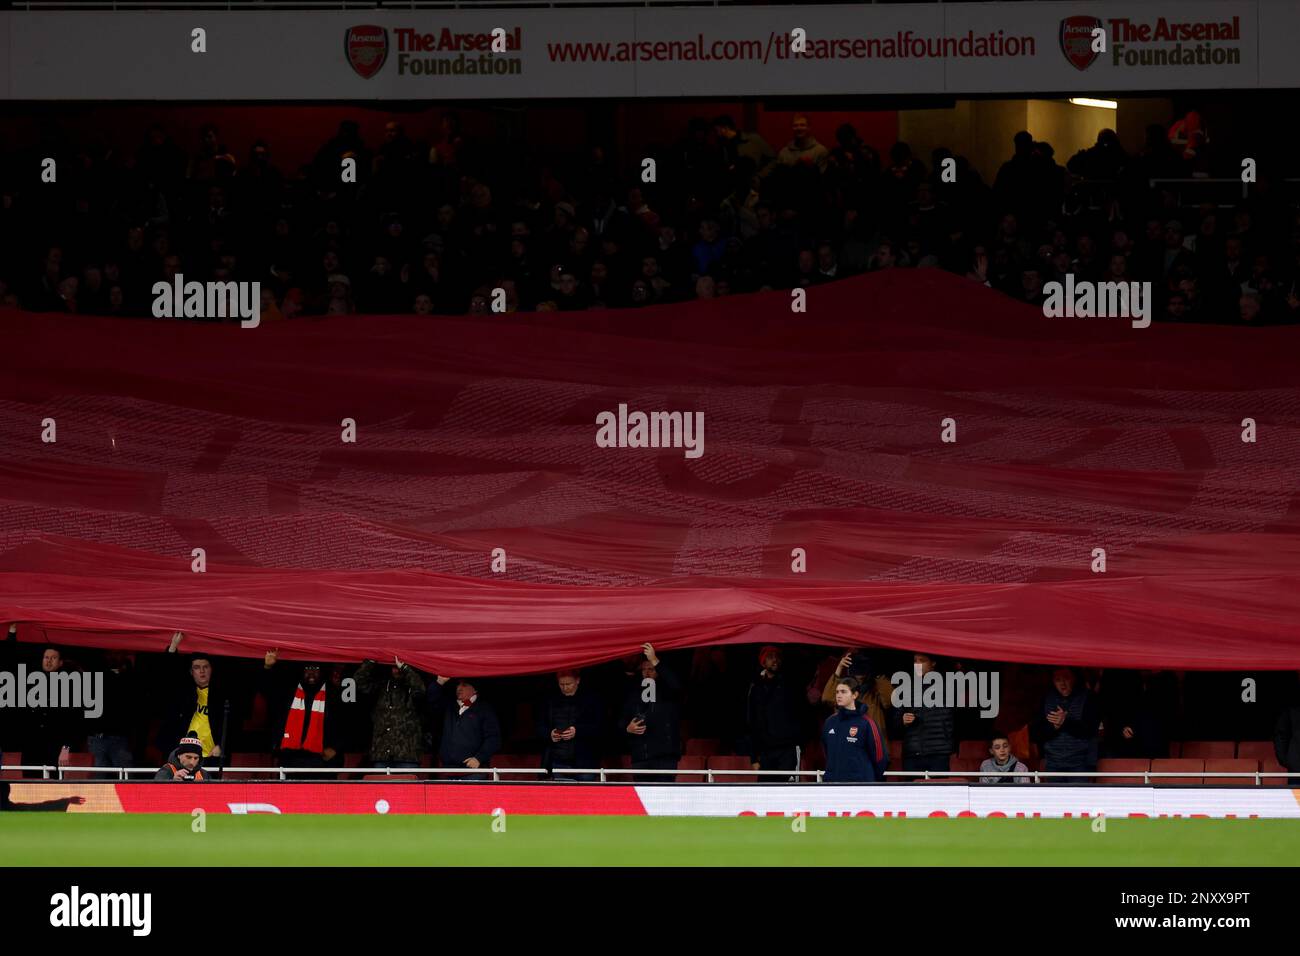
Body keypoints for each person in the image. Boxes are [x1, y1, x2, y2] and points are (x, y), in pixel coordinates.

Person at [157, 633, 235, 764]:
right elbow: (168, 676)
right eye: (197, 668)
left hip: (211, 755)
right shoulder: (183, 691)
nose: (202, 671)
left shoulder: (222, 695)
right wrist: (173, 648)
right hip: (183, 755)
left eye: (206, 667)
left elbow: (232, 724)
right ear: (191, 672)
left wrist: (221, 746)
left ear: (212, 669)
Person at [261, 650, 344, 773]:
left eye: (315, 668)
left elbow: (345, 722)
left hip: (321, 759)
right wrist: (268, 667)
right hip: (290, 757)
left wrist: (336, 748)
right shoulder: (289, 691)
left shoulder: (331, 694)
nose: (311, 672)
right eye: (307, 668)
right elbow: (267, 690)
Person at [19, 645, 82, 778]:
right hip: (32, 747)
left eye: (53, 658)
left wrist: (65, 749)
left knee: (54, 788)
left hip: (54, 749)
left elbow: (72, 722)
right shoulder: (31, 683)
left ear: (60, 663)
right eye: (46, 657)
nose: (48, 661)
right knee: (30, 787)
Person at [621, 643, 681, 782]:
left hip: (666, 756)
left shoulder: (668, 691)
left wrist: (655, 659)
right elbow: (621, 719)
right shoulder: (634, 692)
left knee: (665, 798)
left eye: (651, 669)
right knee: (642, 799)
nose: (647, 672)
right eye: (644, 669)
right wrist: (627, 728)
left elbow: (676, 686)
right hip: (641, 755)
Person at [888, 653, 955, 776]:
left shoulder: (948, 687)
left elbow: (957, 720)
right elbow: (894, 723)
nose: (917, 664)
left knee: (939, 793)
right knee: (913, 794)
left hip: (939, 753)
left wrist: (950, 745)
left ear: (933, 663)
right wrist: (902, 720)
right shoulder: (905, 689)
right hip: (913, 753)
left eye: (922, 661)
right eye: (915, 661)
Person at [355, 656, 427, 769]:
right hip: (381, 754)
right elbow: (359, 682)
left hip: (407, 755)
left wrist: (405, 668)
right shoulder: (382, 686)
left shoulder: (412, 688)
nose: (396, 670)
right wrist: (371, 661)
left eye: (398, 667)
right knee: (381, 787)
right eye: (393, 667)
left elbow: (420, 689)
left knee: (407, 787)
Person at [1031, 667, 1101, 781]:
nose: (1062, 684)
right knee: (1054, 798)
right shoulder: (1046, 699)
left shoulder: (1088, 697)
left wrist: (1065, 722)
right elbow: (1035, 733)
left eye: (1066, 678)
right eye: (1058, 680)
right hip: (1053, 763)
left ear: (1074, 678)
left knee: (1078, 798)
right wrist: (1054, 726)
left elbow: (1090, 730)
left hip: (1080, 763)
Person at [745, 646, 803, 777]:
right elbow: (752, 722)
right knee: (765, 792)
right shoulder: (756, 688)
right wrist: (753, 757)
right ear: (763, 662)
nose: (775, 660)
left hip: (787, 749)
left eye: (777, 657)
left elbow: (800, 714)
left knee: (785, 792)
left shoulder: (790, 685)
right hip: (765, 751)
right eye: (770, 657)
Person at [428, 676, 501, 779]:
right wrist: (439, 682)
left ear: (474, 689)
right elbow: (431, 699)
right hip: (447, 771)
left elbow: (493, 738)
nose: (459, 688)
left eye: (464, 685)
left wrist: (478, 758)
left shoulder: (484, 709)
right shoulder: (448, 706)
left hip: (474, 773)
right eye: (458, 684)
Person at [537, 670, 603, 780]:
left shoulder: (592, 700)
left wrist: (577, 731)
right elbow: (540, 726)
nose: (565, 688)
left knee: (585, 794)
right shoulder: (550, 701)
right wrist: (550, 734)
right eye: (561, 684)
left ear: (578, 680)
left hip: (585, 761)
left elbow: (600, 727)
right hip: (558, 759)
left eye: (568, 684)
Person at [822, 678, 887, 783]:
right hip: (833, 784)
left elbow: (880, 758)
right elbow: (826, 752)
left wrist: (867, 779)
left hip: (859, 786)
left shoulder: (867, 723)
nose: (839, 695)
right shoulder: (830, 722)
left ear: (854, 695)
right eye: (837, 692)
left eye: (843, 692)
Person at [88, 650, 139, 772]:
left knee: (125, 777)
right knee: (98, 780)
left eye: (117, 654)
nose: (113, 657)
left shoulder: (130, 678)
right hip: (97, 737)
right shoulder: (97, 676)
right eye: (110, 654)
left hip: (120, 738)